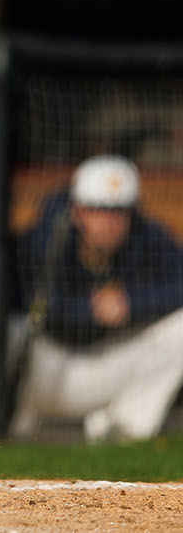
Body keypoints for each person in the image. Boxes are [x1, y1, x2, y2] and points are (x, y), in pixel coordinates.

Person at [11, 155, 183, 441]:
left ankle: (123, 428)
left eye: (119, 211)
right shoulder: (46, 238)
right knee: (10, 330)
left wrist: (130, 302)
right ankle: (6, 421)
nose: (110, 221)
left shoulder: (148, 236)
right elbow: (32, 303)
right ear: (78, 211)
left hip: (106, 363)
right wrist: (89, 310)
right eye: (99, 210)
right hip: (47, 369)